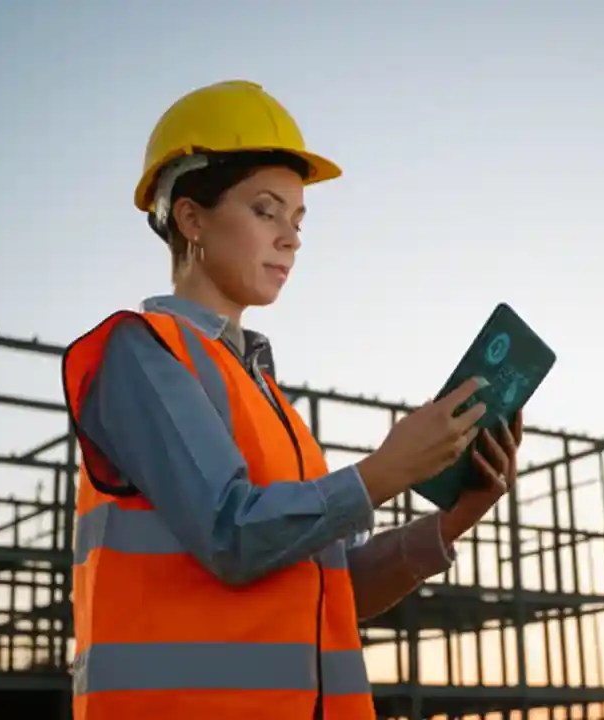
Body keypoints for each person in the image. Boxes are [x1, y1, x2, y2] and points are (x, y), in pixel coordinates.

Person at [60, 79, 523, 720]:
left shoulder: (264, 394)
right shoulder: (139, 354)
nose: (291, 238)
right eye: (265, 210)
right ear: (192, 217)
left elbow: (324, 591)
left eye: (298, 219)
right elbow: (233, 535)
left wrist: (452, 521)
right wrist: (386, 472)